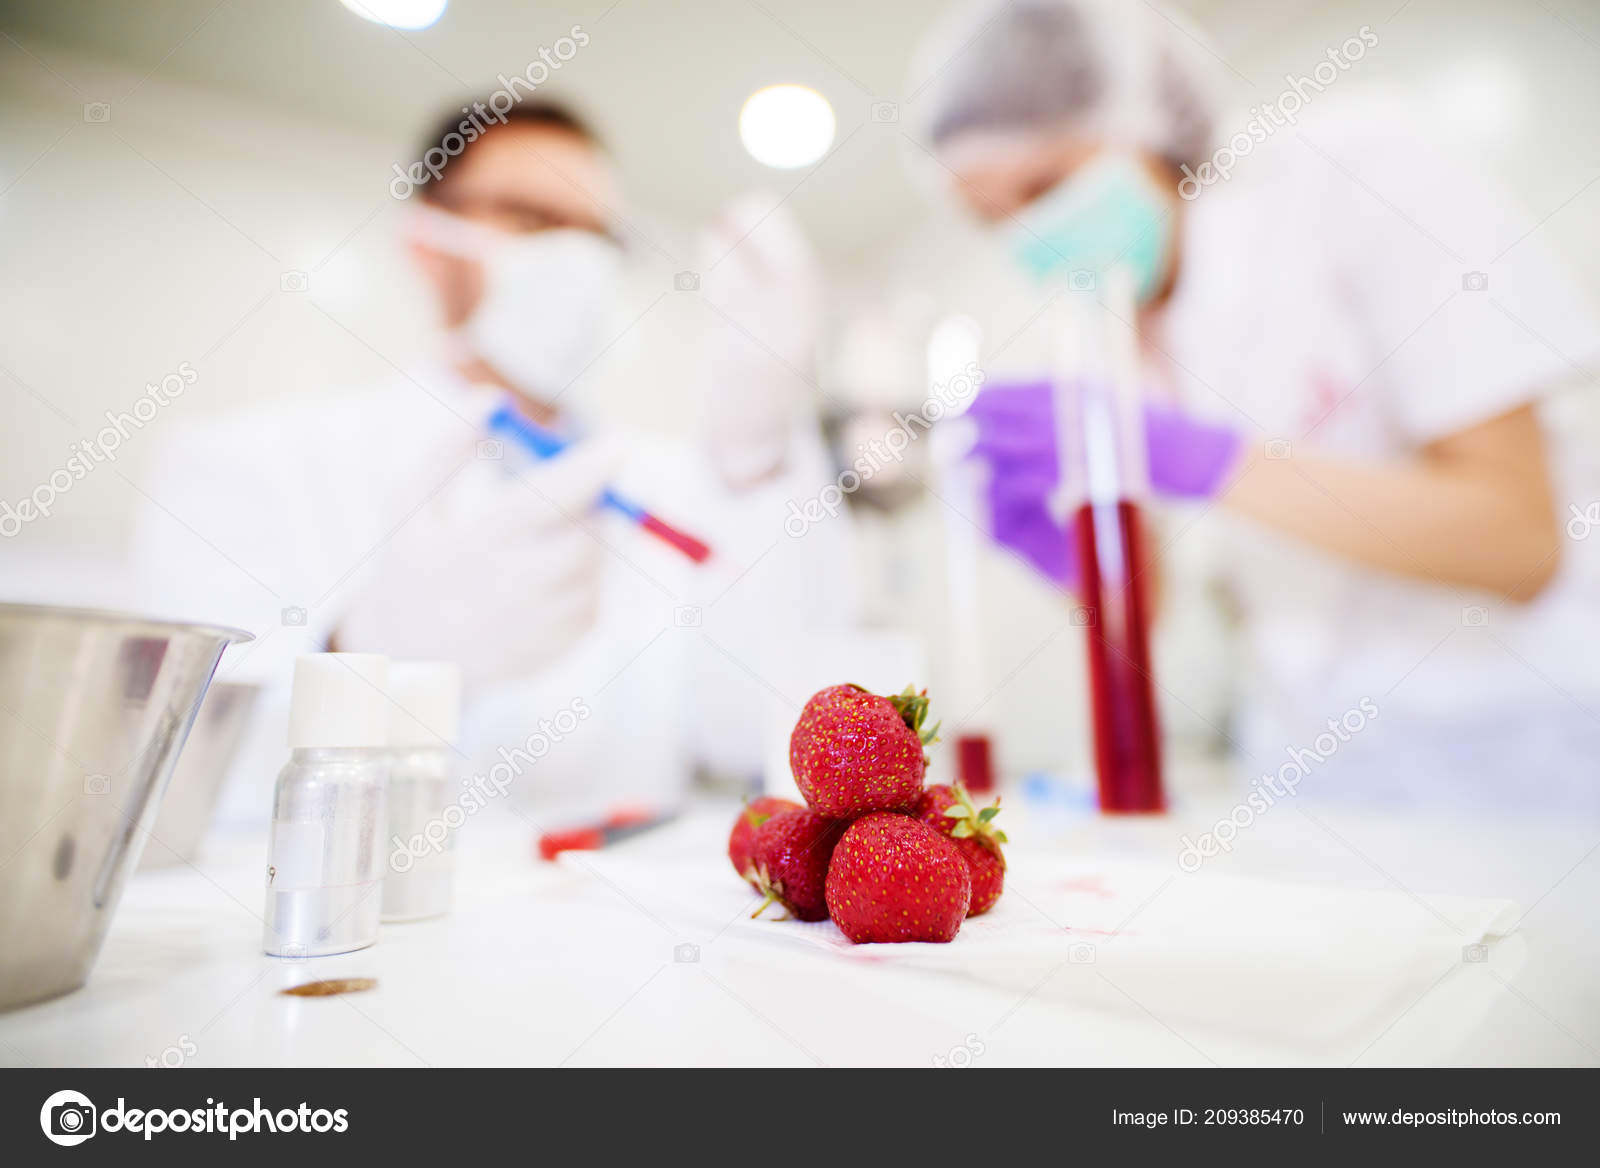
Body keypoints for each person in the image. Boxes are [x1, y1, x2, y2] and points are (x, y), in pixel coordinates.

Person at [913, 0, 1600, 806]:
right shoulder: (1107, 321)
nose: (1029, 233)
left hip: (1524, 756)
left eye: (1046, 184)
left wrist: (1203, 460)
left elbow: (1520, 541)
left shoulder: (1356, 169)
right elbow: (1150, 610)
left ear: (1144, 128)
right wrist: (1067, 551)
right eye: (990, 217)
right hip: (1313, 771)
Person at [135, 100, 854, 824]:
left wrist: (762, 458)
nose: (580, 260)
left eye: (600, 236)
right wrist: (363, 655)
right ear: (428, 239)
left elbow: (747, 738)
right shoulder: (244, 464)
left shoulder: (665, 486)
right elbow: (177, 788)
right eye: (533, 218)